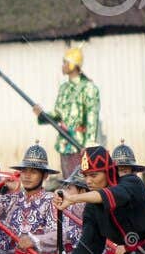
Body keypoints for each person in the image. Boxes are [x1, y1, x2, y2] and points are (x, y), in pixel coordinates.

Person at [0, 144, 58, 254]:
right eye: (24, 171)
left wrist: (34, 240)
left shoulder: (51, 200)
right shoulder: (13, 199)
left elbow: (59, 235)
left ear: (45, 175)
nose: (27, 176)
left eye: (33, 172)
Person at [34, 46, 101, 176]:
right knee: (68, 179)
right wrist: (42, 114)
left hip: (80, 144)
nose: (63, 65)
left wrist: (89, 145)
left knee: (81, 179)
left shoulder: (89, 88)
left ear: (74, 64)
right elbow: (58, 114)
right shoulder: (64, 87)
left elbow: (92, 118)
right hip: (64, 142)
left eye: (65, 62)